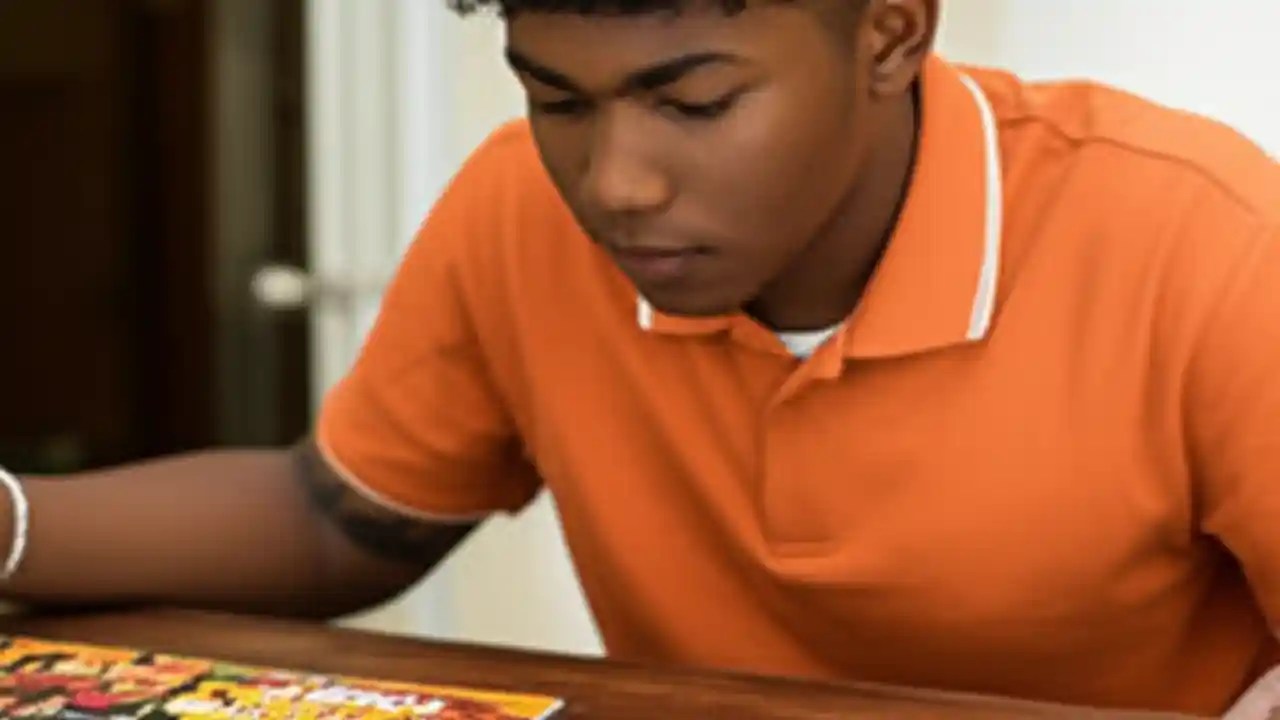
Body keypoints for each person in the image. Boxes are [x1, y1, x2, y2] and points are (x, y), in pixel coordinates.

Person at [1, 0, 1277, 716]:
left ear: (889, 33)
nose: (615, 184)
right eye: (556, 99)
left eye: (694, 103)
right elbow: (338, 519)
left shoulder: (1201, 238)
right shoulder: (517, 207)